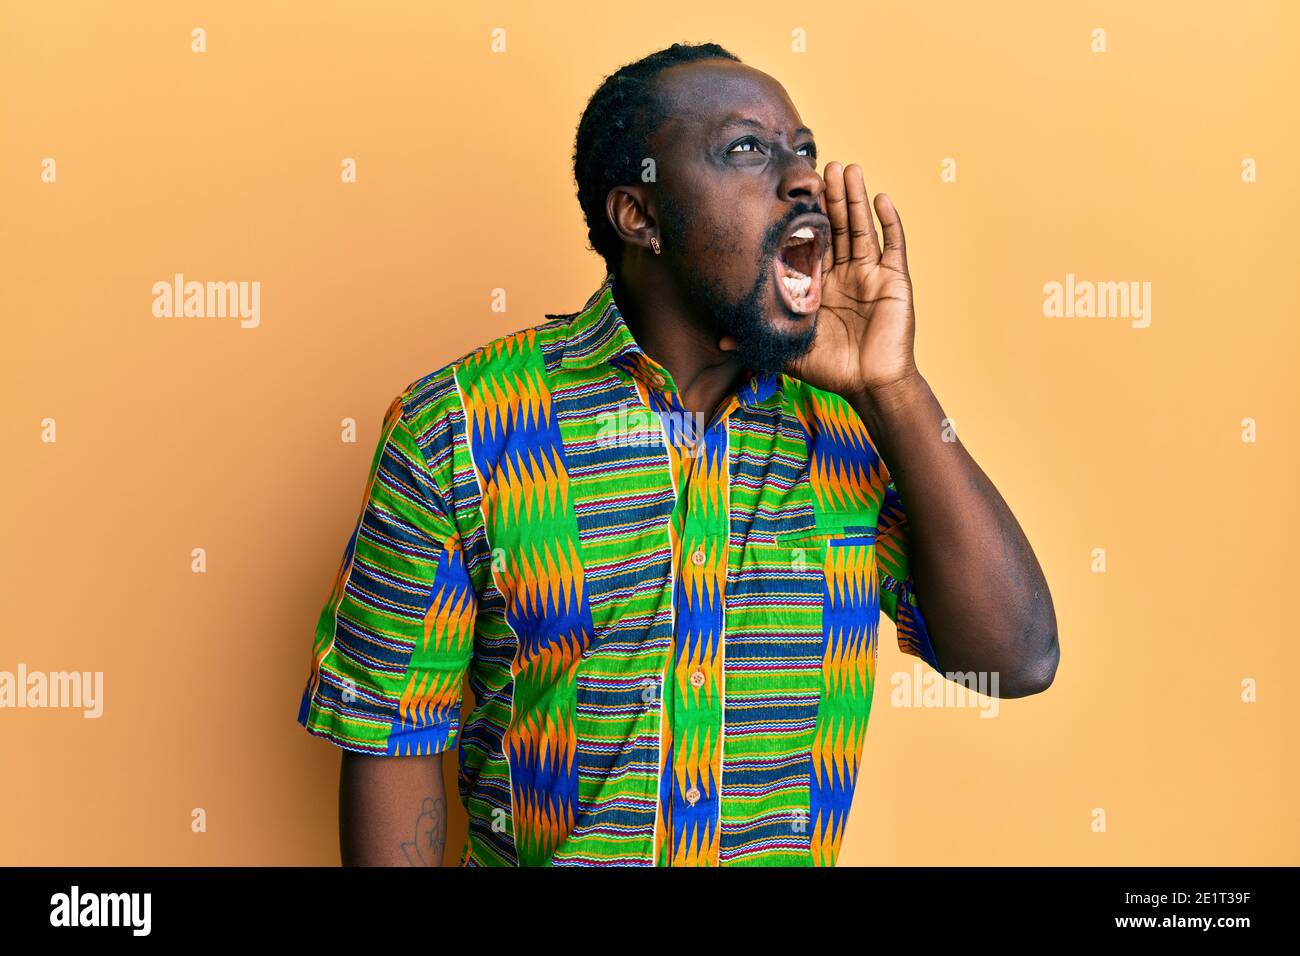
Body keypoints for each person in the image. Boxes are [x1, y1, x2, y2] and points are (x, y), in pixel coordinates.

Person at [297, 41, 1058, 867]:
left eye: (802, 149)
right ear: (641, 215)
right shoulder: (458, 426)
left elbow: (1016, 660)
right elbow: (391, 739)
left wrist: (892, 386)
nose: (802, 177)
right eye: (746, 150)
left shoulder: (854, 428)